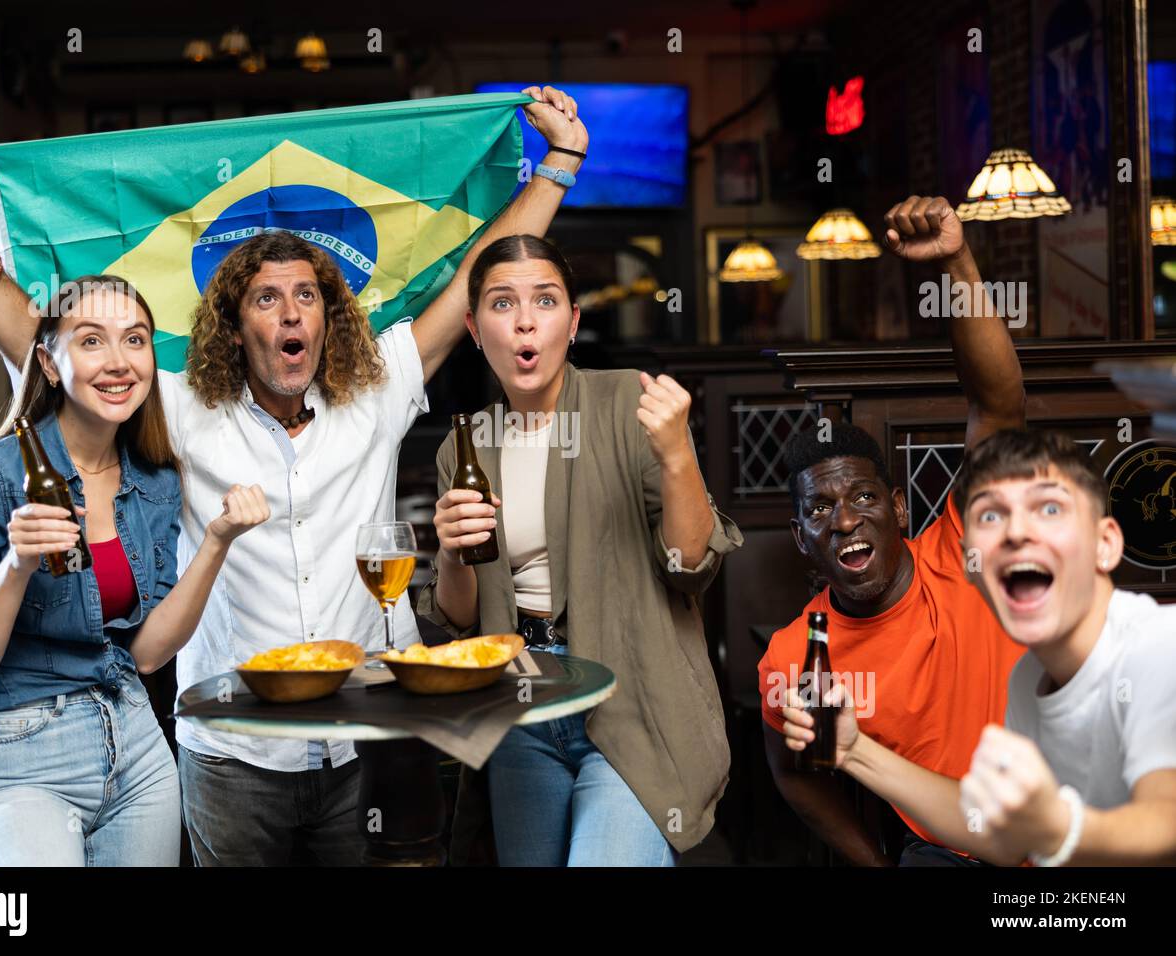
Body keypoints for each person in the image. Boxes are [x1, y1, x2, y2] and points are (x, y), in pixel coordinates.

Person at [0, 86, 588, 866]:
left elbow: (474, 278)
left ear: (329, 313)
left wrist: (560, 166)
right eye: (267, 298)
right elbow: (58, 346)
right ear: (236, 327)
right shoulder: (181, 411)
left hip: (373, 733)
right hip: (234, 749)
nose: (292, 311)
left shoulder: (379, 386)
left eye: (307, 294)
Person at [419, 234, 743, 865]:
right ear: (473, 328)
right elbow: (460, 620)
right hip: (520, 708)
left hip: (631, 699)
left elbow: (690, 567)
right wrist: (452, 551)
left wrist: (678, 455)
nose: (524, 321)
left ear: (572, 321)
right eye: (501, 303)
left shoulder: (627, 403)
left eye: (545, 300)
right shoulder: (466, 445)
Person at [0, 276, 268, 866]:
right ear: (49, 365)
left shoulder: (155, 481)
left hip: (135, 745)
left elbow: (148, 653)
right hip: (18, 756)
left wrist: (216, 542)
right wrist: (17, 564)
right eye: (91, 341)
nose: (118, 362)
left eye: (134, 341)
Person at [757, 195, 1028, 866]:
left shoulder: (964, 548)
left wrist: (958, 262)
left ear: (899, 509)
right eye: (820, 511)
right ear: (800, 538)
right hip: (940, 851)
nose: (845, 518)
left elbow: (996, 405)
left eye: (861, 498)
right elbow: (793, 775)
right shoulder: (795, 657)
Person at [779, 429, 1176, 865]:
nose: (1018, 536)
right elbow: (977, 823)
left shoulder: (1154, 646)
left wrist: (1055, 829)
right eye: (993, 519)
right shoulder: (1029, 677)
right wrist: (856, 751)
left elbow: (1161, 823)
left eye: (1049, 512)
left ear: (1105, 544)